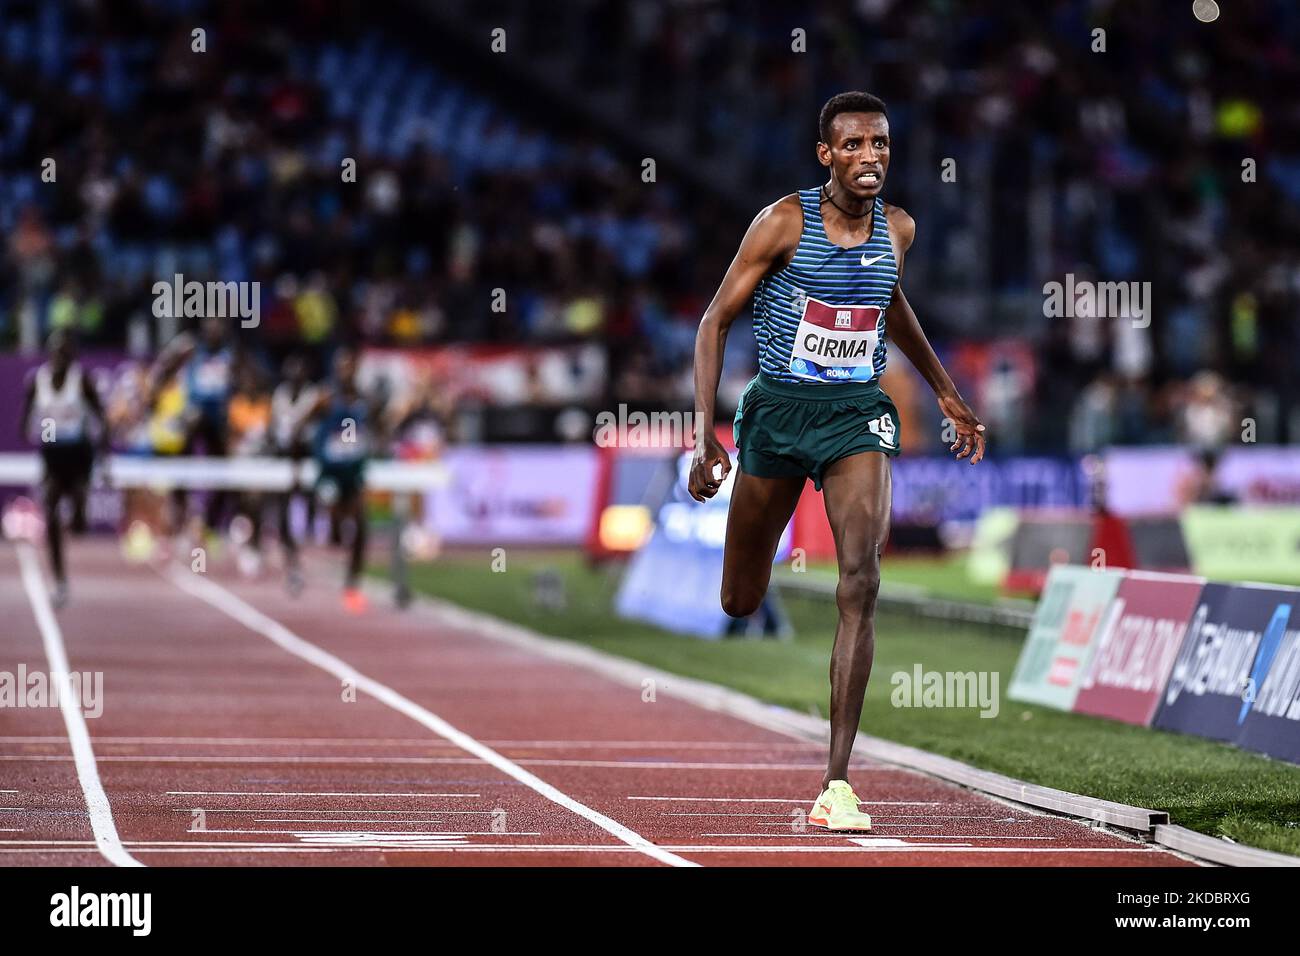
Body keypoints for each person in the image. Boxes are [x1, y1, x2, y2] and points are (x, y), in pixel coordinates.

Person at [688, 92, 987, 831]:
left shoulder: (901, 229)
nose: (870, 157)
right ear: (827, 154)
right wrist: (702, 436)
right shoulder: (782, 222)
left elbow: (890, 303)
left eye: (880, 144)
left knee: (862, 576)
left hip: (857, 415)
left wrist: (947, 393)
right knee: (740, 599)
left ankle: (837, 783)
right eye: (853, 145)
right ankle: (748, 584)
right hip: (778, 416)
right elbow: (714, 319)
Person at [18, 330, 109, 607]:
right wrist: (41, 430)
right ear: (49, 354)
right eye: (55, 352)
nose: (59, 358)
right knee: (50, 507)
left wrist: (104, 462)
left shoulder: (81, 381)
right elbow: (24, 424)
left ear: (73, 357)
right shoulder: (38, 382)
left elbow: (102, 420)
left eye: (65, 353)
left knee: (79, 520)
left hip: (79, 455)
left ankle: (80, 514)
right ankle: (60, 580)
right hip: (53, 456)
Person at [296, 347, 385, 613]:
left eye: (350, 366)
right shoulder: (326, 398)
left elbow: (375, 430)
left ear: (356, 370)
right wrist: (308, 450)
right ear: (336, 369)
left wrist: (373, 442)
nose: (345, 371)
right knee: (336, 522)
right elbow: (301, 424)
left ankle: (352, 584)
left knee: (361, 526)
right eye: (341, 366)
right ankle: (322, 547)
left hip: (354, 471)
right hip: (330, 473)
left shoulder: (363, 400)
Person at [270, 353, 320, 595]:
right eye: (291, 372)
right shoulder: (280, 395)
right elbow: (277, 427)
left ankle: (310, 534)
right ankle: (289, 555)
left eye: (299, 372)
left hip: (308, 455)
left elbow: (305, 427)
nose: (295, 376)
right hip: (283, 457)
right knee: (283, 509)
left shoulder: (313, 395)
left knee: (306, 503)